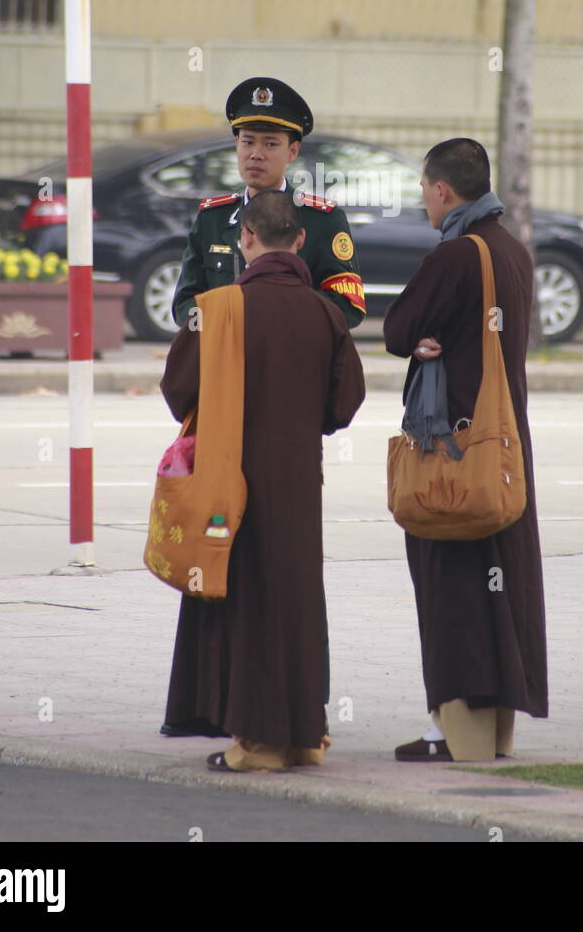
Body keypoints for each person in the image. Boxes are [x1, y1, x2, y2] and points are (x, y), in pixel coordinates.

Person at [159, 189, 365, 771]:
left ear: (244, 240)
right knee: (297, 597)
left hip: (233, 476)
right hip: (300, 479)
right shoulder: (326, 313)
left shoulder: (220, 307)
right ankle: (304, 736)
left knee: (248, 598)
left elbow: (178, 392)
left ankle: (255, 743)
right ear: (300, 241)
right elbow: (344, 403)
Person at [383, 137, 548, 762]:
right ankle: (496, 731)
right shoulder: (513, 251)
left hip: (456, 450)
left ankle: (450, 733)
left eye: (425, 189)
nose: (424, 200)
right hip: (505, 449)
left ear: (443, 190)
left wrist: (425, 339)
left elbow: (399, 330)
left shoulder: (455, 255)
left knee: (449, 584)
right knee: (499, 590)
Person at [171, 76, 365, 331]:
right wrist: (223, 322)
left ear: (292, 151)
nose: (256, 154)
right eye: (247, 142)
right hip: (226, 357)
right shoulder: (214, 218)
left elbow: (348, 306)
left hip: (293, 356)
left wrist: (280, 318)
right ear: (236, 145)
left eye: (270, 144)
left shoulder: (322, 219)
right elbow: (184, 305)